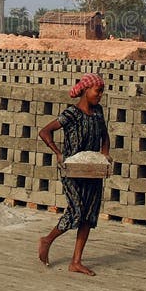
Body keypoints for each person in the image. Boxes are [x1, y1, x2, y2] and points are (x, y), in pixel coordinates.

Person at [37, 73, 110, 276]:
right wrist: (58, 153)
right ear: (86, 90)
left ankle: (76, 261)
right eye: (98, 91)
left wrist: (105, 155)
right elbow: (45, 132)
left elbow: (105, 135)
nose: (100, 95)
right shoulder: (71, 114)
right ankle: (47, 240)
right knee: (77, 211)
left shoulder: (98, 113)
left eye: (102, 91)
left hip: (92, 170)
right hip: (72, 170)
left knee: (88, 216)